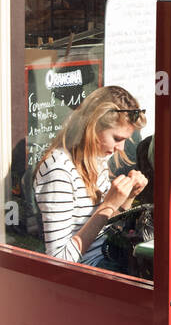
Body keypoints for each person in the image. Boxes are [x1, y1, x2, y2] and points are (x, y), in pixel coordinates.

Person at [32, 86, 148, 267]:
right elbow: (59, 259)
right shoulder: (58, 171)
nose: (121, 148)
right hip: (88, 274)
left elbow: (103, 231)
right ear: (93, 127)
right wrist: (109, 204)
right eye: (117, 138)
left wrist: (127, 199)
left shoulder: (94, 159)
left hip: (107, 260)